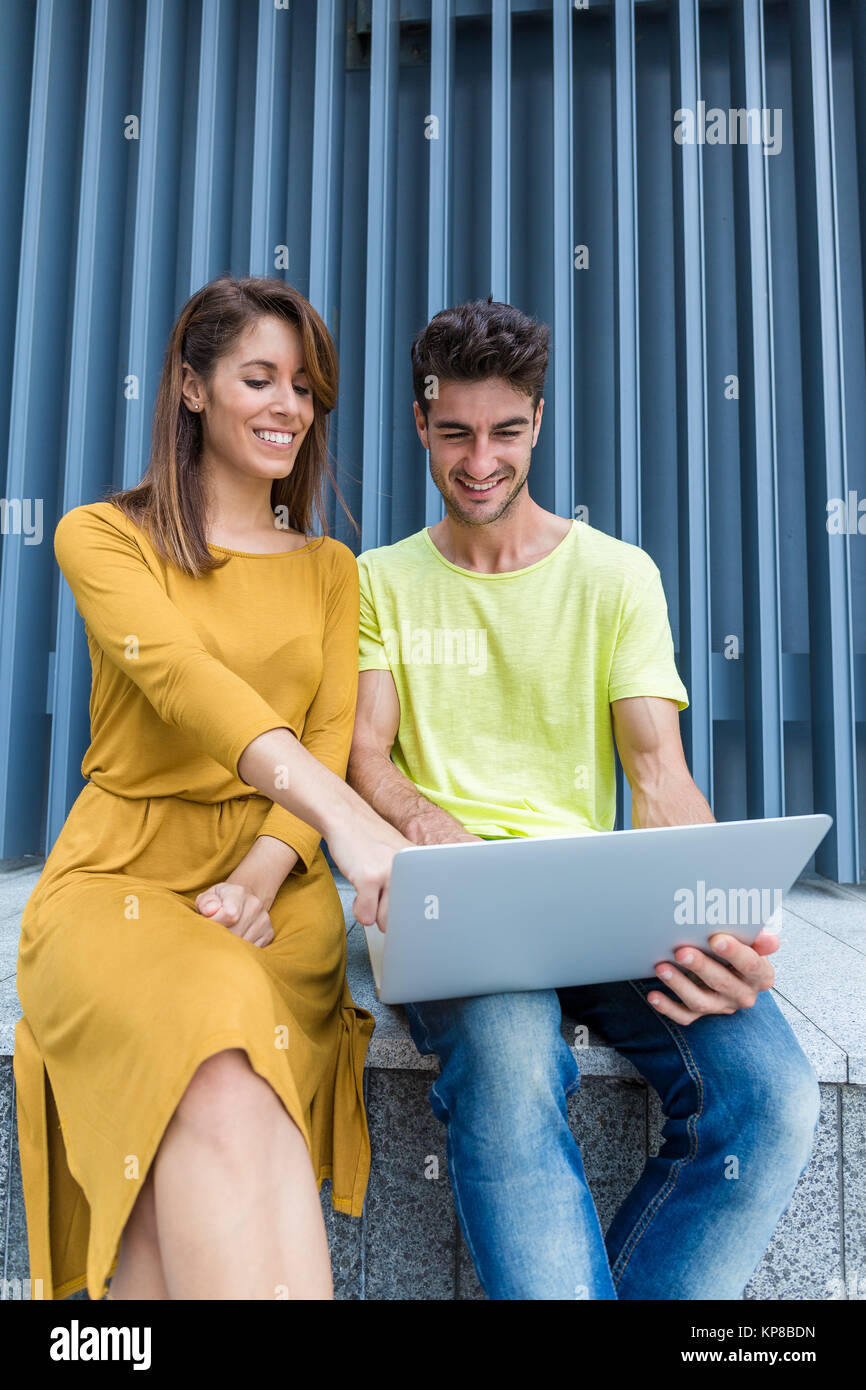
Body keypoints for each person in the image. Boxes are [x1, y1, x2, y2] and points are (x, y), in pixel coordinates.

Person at [347, 297, 821, 1301]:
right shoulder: (377, 581)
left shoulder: (615, 577)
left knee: (772, 1095)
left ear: (538, 421)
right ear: (420, 426)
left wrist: (712, 920)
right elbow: (367, 759)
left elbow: (658, 775)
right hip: (452, 910)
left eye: (505, 432)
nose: (480, 460)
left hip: (591, 907)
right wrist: (444, 839)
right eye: (454, 433)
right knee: (514, 1062)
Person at [14, 274, 407, 1302]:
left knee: (213, 1092)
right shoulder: (103, 536)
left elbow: (324, 731)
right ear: (191, 388)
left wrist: (264, 870)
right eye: (260, 378)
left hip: (275, 890)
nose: (290, 405)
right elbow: (186, 685)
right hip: (119, 879)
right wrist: (349, 823)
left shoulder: (331, 567)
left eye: (306, 387)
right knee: (215, 1066)